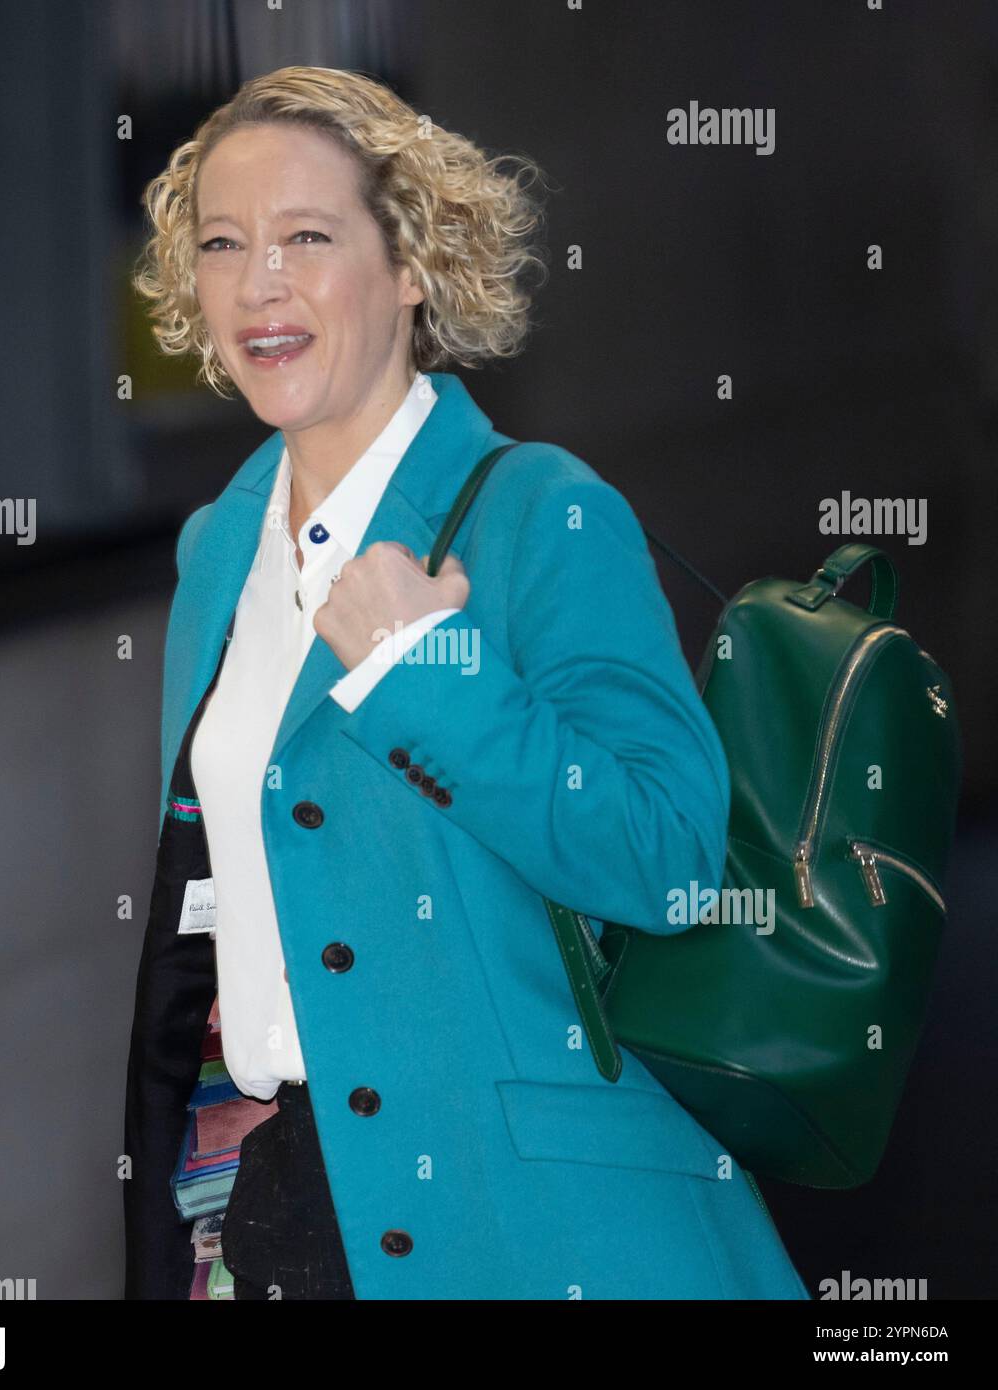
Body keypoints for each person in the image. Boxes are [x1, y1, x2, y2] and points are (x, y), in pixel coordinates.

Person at [123, 64, 810, 1301]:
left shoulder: (542, 512)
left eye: (307, 237)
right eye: (222, 243)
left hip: (526, 1225)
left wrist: (417, 664)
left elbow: (666, 856)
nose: (257, 280)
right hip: (273, 1203)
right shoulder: (218, 547)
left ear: (415, 263)